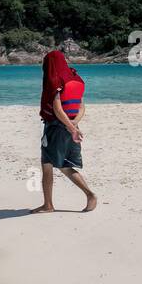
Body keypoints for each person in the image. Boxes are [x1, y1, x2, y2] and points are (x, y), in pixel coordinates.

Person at [33, 50, 97, 213]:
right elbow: (81, 106)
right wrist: (74, 124)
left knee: (47, 164)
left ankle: (49, 205)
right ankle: (89, 195)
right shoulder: (76, 79)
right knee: (65, 165)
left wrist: (69, 126)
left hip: (56, 128)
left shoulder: (55, 79)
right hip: (72, 125)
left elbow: (57, 108)